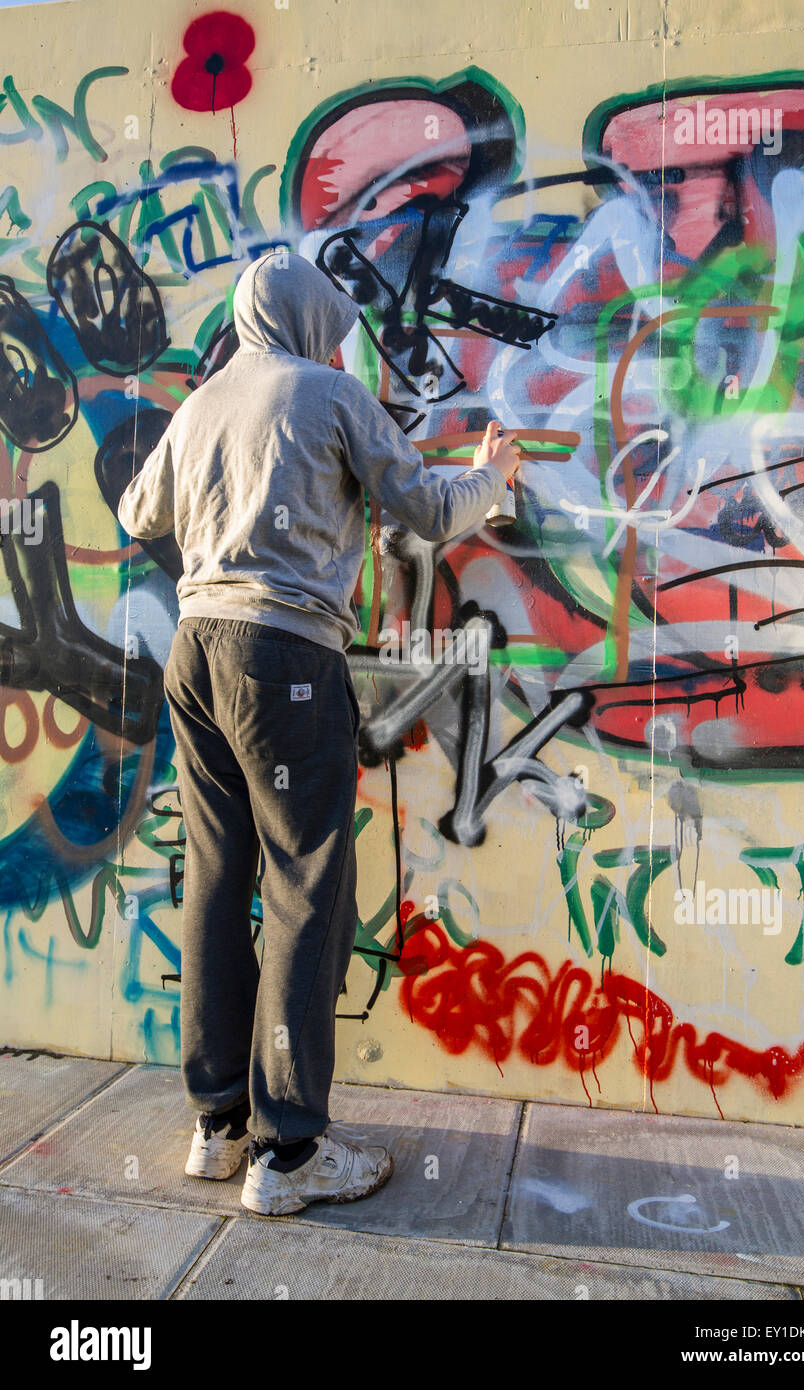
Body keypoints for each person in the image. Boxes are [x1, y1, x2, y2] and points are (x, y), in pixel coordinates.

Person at [117, 249, 521, 1217]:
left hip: (195, 648)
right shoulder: (327, 393)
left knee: (218, 879)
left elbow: (139, 514)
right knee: (302, 887)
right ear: (305, 319)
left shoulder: (205, 400)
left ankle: (217, 1125)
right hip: (283, 660)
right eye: (331, 323)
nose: (340, 338)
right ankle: (289, 1151)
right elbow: (423, 506)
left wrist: (222, 532)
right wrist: (490, 476)